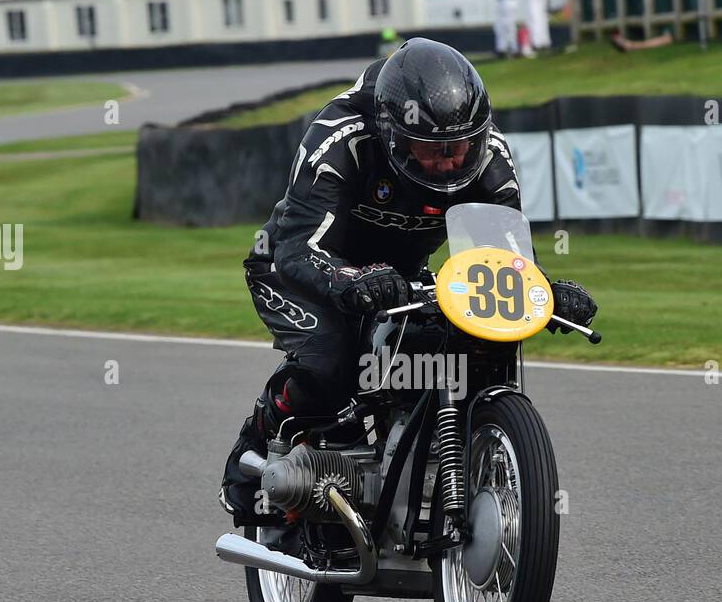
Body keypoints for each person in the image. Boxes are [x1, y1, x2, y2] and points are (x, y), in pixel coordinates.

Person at [219, 38, 597, 520]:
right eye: (432, 149)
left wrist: (544, 293)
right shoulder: (340, 136)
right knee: (334, 362)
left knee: (462, 340)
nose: (449, 162)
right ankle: (259, 434)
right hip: (297, 265)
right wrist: (349, 280)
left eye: (458, 147)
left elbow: (504, 259)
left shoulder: (490, 155)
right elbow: (298, 245)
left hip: (398, 275)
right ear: (393, 134)